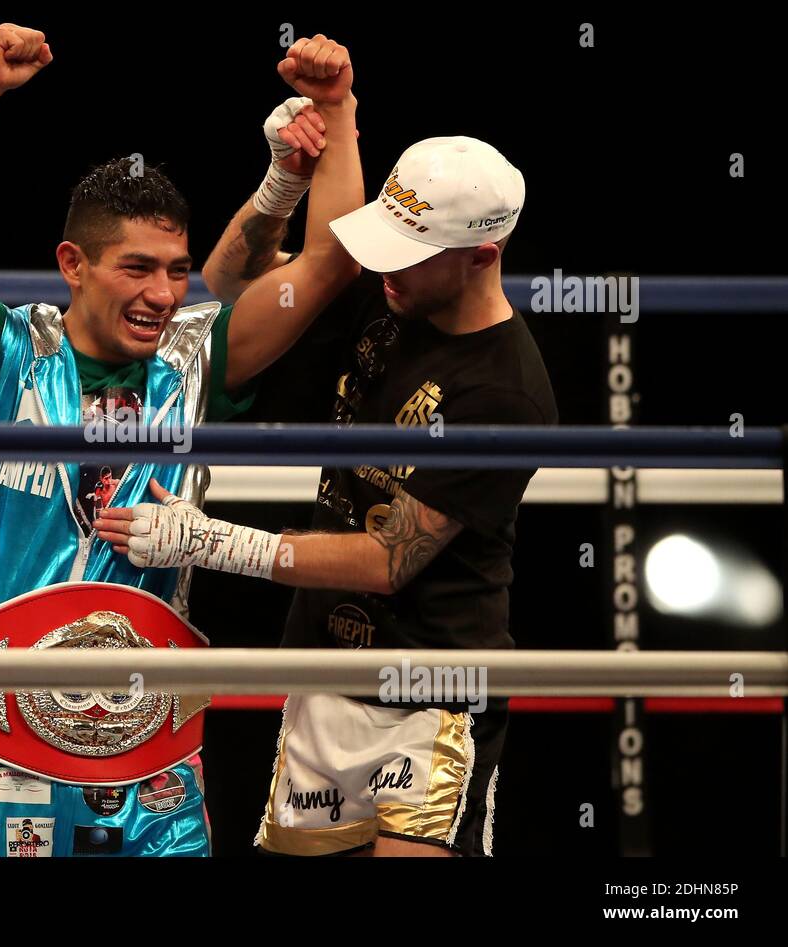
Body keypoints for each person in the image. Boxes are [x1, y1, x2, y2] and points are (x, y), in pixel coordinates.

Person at [0, 24, 363, 856]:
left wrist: (339, 108)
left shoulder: (196, 360)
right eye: (136, 268)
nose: (161, 292)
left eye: (176, 270)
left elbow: (328, 261)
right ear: (73, 263)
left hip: (152, 765)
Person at [96, 135, 558, 857]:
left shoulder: (506, 391)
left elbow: (387, 561)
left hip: (431, 688)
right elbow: (228, 281)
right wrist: (286, 178)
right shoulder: (390, 291)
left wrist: (209, 540)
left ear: (482, 256)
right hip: (321, 668)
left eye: (413, 247)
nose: (386, 262)